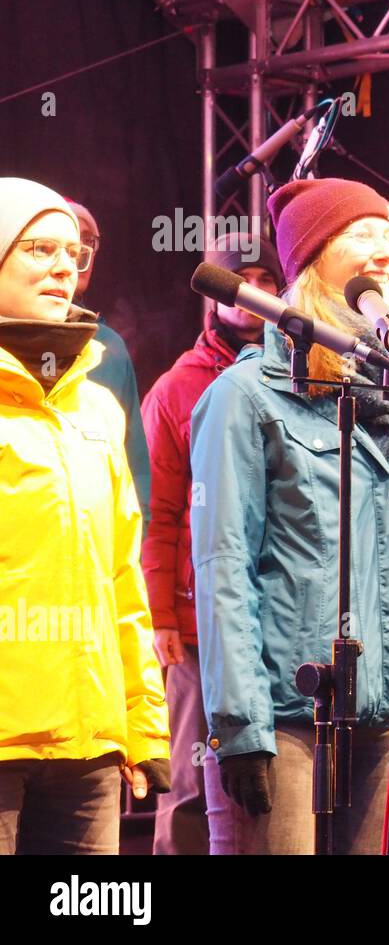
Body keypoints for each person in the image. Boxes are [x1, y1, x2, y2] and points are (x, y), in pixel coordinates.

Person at [189, 178, 389, 855]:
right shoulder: (245, 398)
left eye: (388, 232)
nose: (384, 245)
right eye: (359, 231)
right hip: (287, 721)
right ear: (314, 258)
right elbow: (223, 565)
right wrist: (240, 726)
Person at [0, 177, 170, 854]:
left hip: (89, 744)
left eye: (72, 251)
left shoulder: (97, 408)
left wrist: (144, 723)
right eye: (39, 247)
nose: (64, 265)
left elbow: (122, 580)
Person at [141, 237, 284, 856]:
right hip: (199, 625)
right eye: (238, 278)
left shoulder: (303, 373)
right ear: (213, 293)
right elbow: (158, 512)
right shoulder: (178, 387)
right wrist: (163, 616)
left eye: (266, 278)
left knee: (273, 780)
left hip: (276, 618)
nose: (253, 290)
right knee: (194, 781)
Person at [67, 199, 151, 528]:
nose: (77, 250)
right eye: (57, 241)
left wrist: (133, 553)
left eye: (88, 240)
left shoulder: (109, 348)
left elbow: (134, 465)